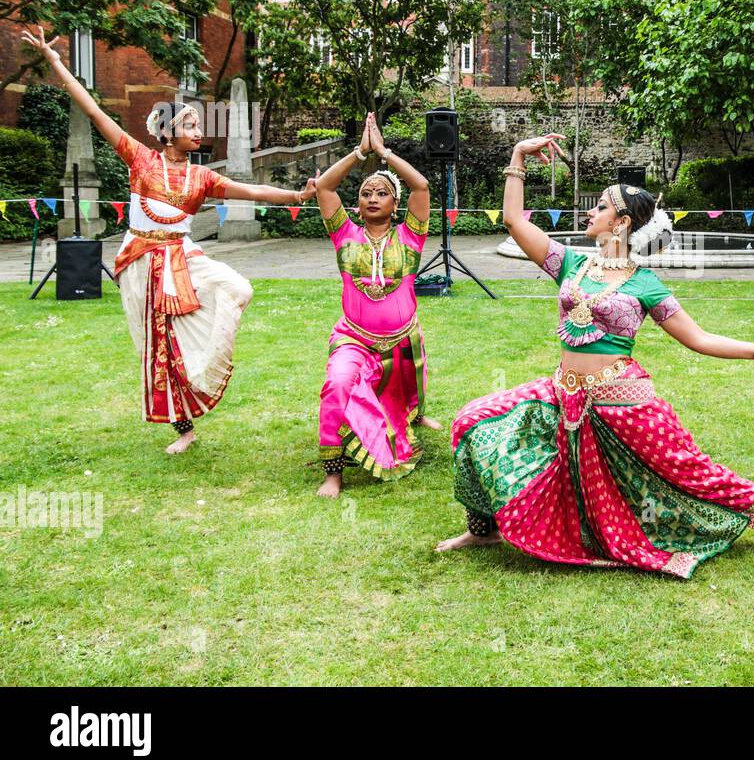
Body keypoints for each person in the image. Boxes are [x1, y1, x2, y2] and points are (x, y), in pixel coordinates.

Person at [436, 134, 754, 577]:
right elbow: (512, 221)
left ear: (621, 222)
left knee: (689, 470)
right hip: (561, 393)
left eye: (599, 206)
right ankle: (484, 528)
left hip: (619, 399)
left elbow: (697, 338)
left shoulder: (645, 284)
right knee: (472, 420)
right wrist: (517, 157)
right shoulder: (570, 263)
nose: (589, 212)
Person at [21, 26, 317, 454]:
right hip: (141, 260)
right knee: (155, 346)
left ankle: (204, 373)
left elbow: (250, 191)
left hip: (181, 258)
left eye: (198, 124)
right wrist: (55, 62)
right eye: (189, 124)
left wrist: (296, 195)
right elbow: (94, 111)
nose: (198, 130)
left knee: (237, 287)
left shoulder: (201, 176)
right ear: (166, 133)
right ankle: (184, 429)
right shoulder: (140, 159)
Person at [312, 112, 440, 497]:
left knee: (397, 409)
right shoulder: (344, 234)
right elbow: (323, 187)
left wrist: (384, 152)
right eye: (365, 193)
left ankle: (412, 418)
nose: (371, 198)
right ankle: (333, 472)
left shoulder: (411, 236)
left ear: (394, 203)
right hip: (355, 338)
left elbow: (421, 185)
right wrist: (358, 153)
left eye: (380, 192)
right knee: (337, 384)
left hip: (401, 341)